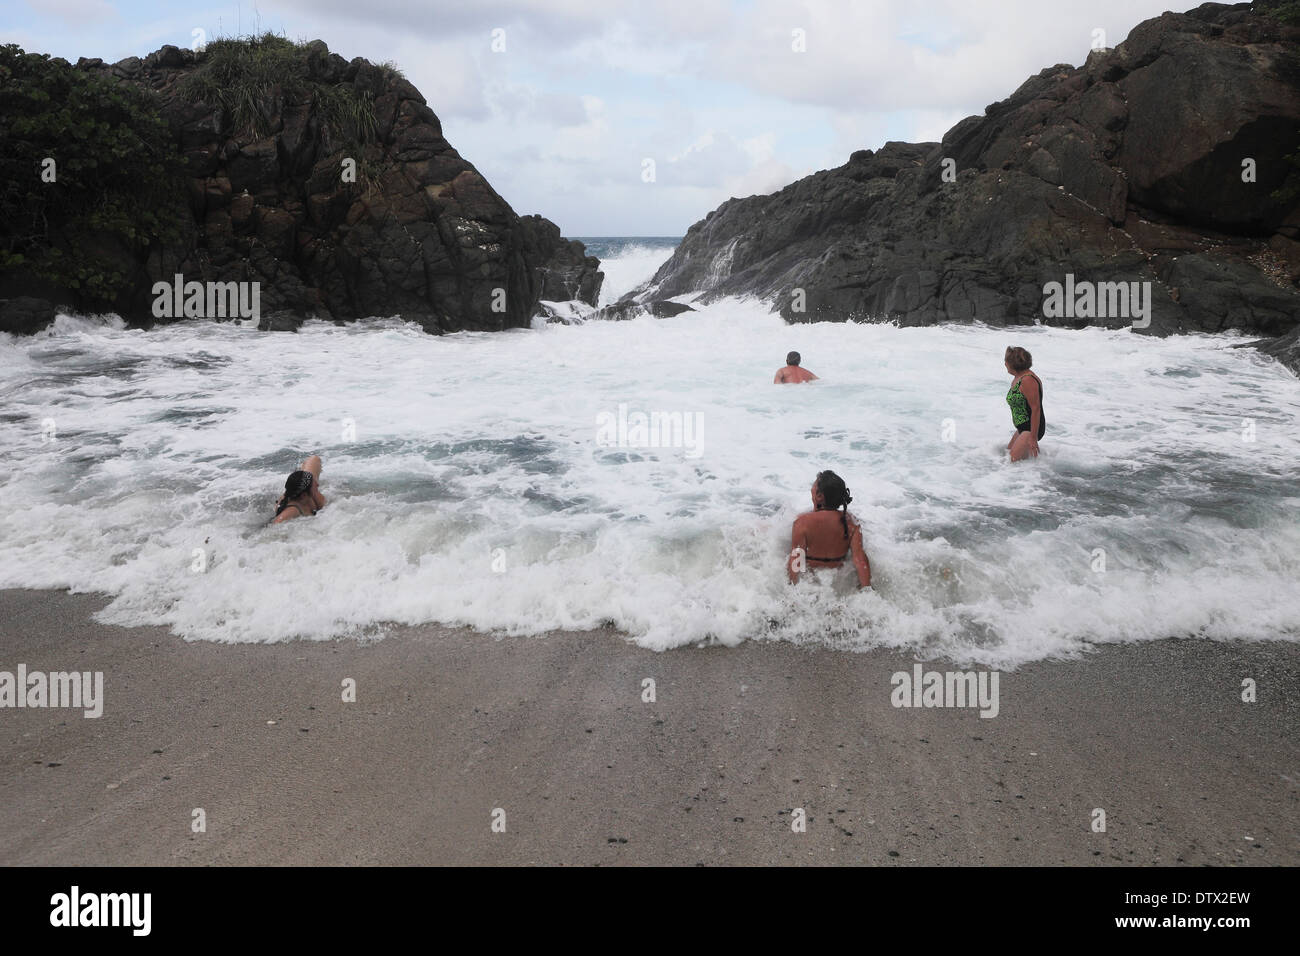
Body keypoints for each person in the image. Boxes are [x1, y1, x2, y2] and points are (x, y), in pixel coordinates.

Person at [786, 470, 871, 588]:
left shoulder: (802, 522)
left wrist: (791, 588)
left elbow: (796, 559)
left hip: (810, 583)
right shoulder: (852, 523)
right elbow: (860, 560)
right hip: (838, 582)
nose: (811, 489)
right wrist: (868, 589)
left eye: (813, 486)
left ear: (820, 496)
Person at [1004, 346, 1045, 461]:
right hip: (1023, 428)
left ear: (1012, 364)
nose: (1004, 364)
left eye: (1006, 361)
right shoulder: (1018, 377)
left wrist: (1032, 437)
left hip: (1030, 428)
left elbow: (1036, 409)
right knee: (1006, 456)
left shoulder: (1028, 380)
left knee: (1010, 464)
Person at [271, 455, 326, 523]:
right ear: (304, 495)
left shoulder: (307, 488)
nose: (318, 485)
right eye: (314, 485)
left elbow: (314, 459)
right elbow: (275, 524)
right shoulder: (292, 510)